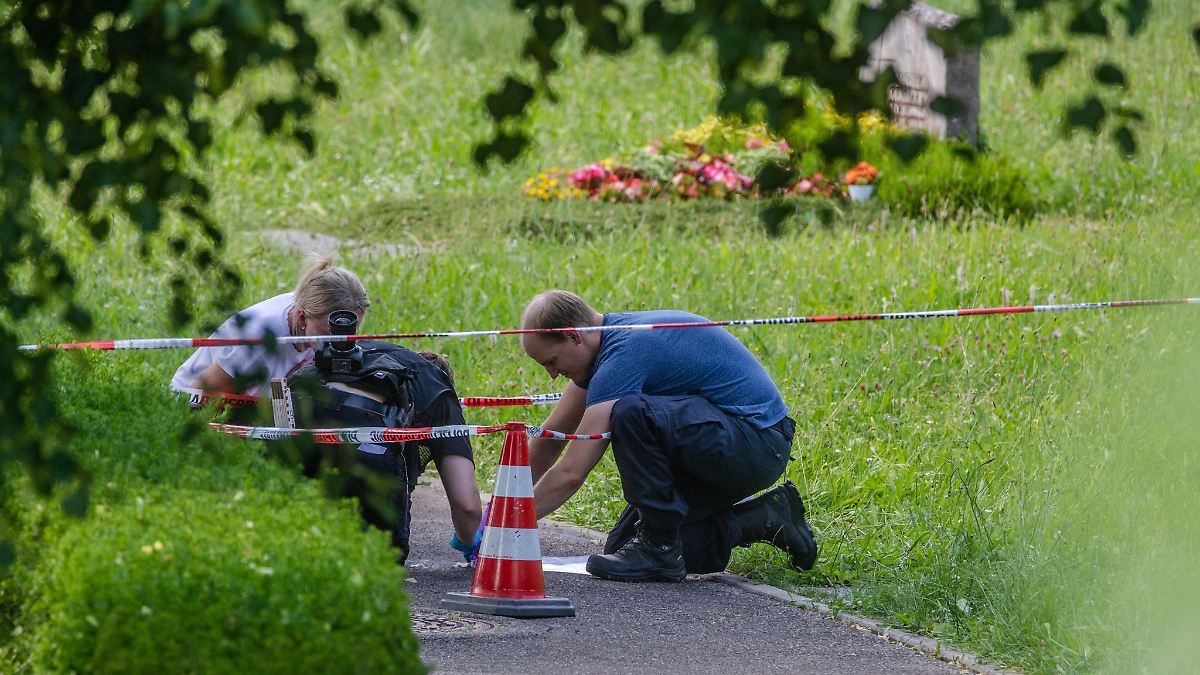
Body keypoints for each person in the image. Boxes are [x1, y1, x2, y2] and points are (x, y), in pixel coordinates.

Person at [519, 290, 816, 582]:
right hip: (724, 439)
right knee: (622, 550)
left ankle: (657, 547)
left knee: (631, 413)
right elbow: (550, 441)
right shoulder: (601, 350)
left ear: (573, 336)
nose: (552, 374)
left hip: (758, 441)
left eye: (551, 361)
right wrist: (501, 505)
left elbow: (571, 471)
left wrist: (511, 524)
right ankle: (763, 518)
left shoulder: (623, 356)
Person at [288, 340, 483, 564]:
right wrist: (469, 540)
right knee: (380, 560)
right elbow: (467, 506)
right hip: (367, 443)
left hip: (294, 417)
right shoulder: (437, 389)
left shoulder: (362, 351)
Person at [171, 256, 370, 398]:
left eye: (349, 333)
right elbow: (202, 392)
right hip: (193, 403)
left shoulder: (313, 309)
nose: (339, 342)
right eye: (329, 334)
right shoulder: (260, 337)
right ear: (302, 318)